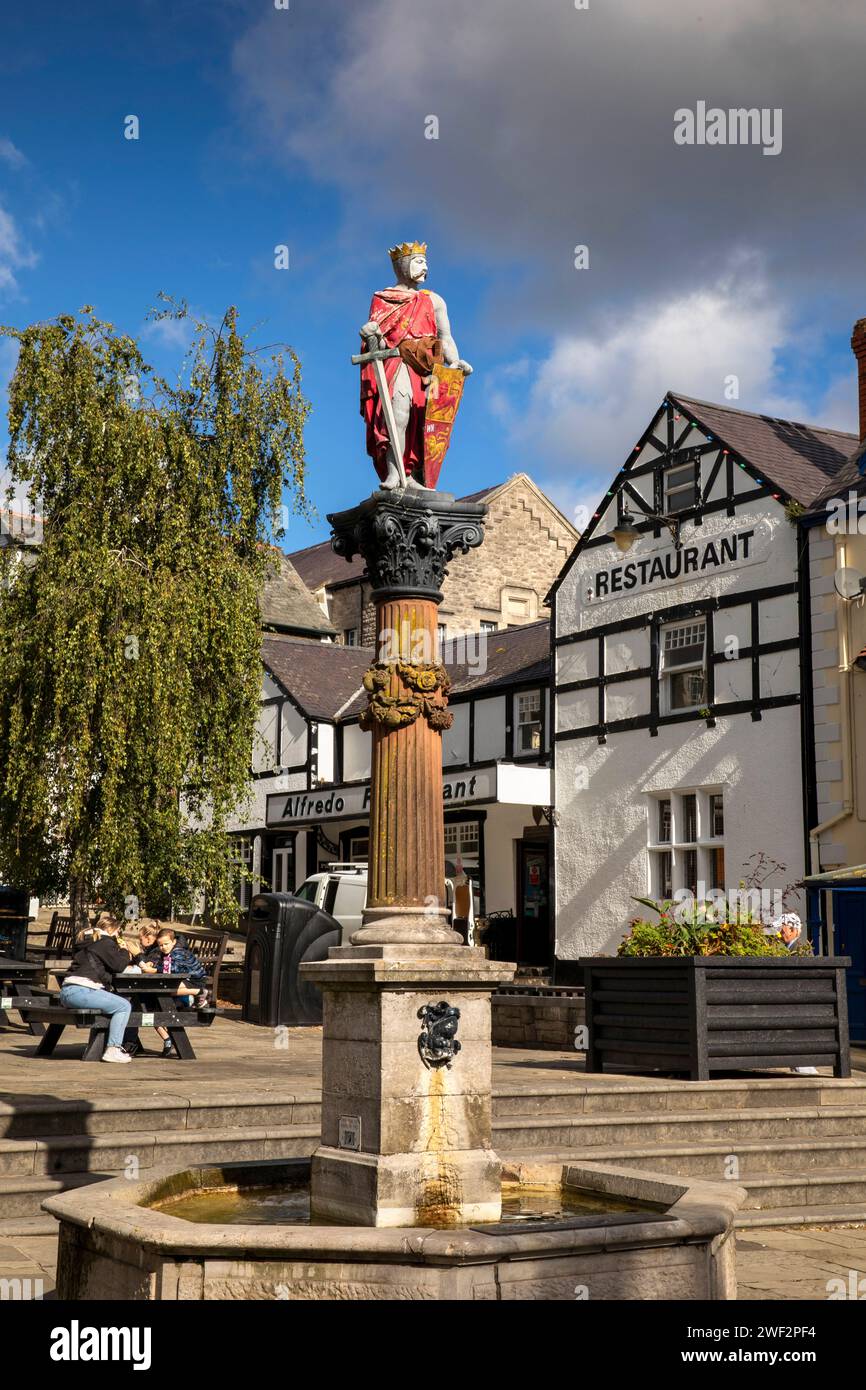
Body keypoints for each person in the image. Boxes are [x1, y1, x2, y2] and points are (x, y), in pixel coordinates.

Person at [60, 915, 141, 1063]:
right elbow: (119, 966)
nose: (118, 936)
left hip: (68, 991)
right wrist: (123, 950)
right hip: (82, 991)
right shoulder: (105, 942)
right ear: (111, 930)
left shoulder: (88, 941)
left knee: (114, 1004)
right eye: (117, 932)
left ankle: (107, 1046)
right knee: (124, 1006)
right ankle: (113, 1049)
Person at [146, 927, 209, 1059]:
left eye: (166, 944)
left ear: (173, 942)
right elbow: (164, 966)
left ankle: (200, 992)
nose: (163, 947)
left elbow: (171, 970)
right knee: (151, 1004)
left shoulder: (178, 952)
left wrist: (152, 969)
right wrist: (153, 963)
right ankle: (168, 1038)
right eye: (160, 945)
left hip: (194, 980)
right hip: (180, 980)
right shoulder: (166, 953)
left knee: (163, 991)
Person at [772, 912, 819, 1076]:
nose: (779, 933)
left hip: (800, 1005)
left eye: (782, 930)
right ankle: (802, 1069)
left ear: (792, 930)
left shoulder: (799, 949)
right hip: (796, 1005)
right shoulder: (791, 948)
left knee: (799, 1043)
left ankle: (806, 1071)